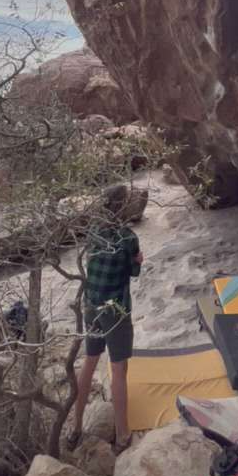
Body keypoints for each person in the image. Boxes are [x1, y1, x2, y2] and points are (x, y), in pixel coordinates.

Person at [66, 185, 142, 454]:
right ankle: (122, 435)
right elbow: (133, 272)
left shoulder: (93, 232)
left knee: (90, 360)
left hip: (91, 305)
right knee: (118, 368)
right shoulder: (128, 237)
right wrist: (138, 260)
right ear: (123, 206)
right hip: (116, 309)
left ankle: (75, 428)